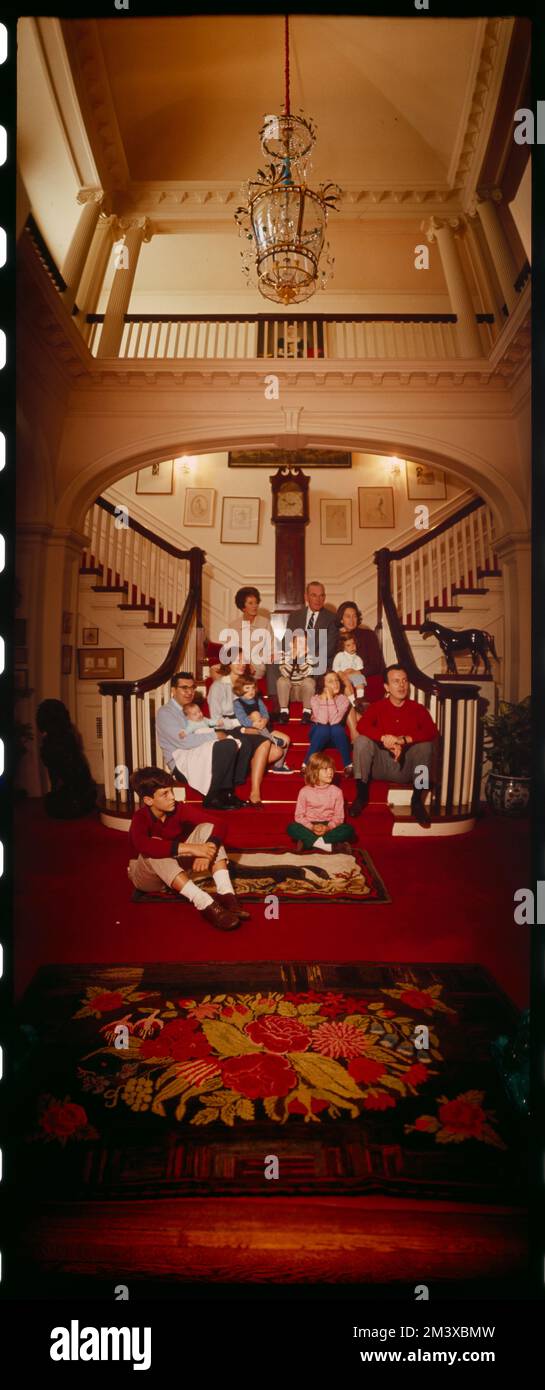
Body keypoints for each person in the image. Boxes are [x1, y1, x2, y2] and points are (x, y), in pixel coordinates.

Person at [127, 767, 249, 929]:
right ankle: (204, 903)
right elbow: (143, 845)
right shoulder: (140, 817)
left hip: (176, 868)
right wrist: (192, 849)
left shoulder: (178, 808)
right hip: (149, 878)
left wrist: (207, 852)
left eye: (171, 791)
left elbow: (220, 824)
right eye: (165, 794)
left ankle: (226, 894)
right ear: (149, 800)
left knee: (207, 828)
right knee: (155, 846)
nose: (172, 797)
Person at [349, 663, 438, 826]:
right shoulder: (377, 707)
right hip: (380, 766)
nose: (402, 685)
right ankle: (361, 796)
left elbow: (432, 732)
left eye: (404, 681)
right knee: (361, 741)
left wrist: (403, 740)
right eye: (396, 681)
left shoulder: (417, 709)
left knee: (426, 746)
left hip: (406, 767)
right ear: (387, 687)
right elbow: (361, 726)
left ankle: (417, 801)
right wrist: (384, 738)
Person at [155, 672, 251, 810]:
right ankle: (212, 797)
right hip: (181, 761)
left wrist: (241, 724)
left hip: (199, 751)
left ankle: (228, 792)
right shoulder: (165, 713)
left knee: (243, 742)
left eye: (192, 687)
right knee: (228, 745)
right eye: (184, 688)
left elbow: (211, 724)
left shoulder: (191, 708)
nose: (189, 692)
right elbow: (184, 742)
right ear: (173, 690)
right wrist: (215, 735)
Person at [207, 663, 287, 804]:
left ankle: (248, 768)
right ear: (228, 662)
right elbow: (215, 720)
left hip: (250, 723)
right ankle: (254, 790)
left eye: (244, 660)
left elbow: (260, 708)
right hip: (230, 726)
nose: (242, 663)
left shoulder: (247, 681)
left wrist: (261, 720)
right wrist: (243, 724)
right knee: (265, 742)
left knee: (278, 751)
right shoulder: (218, 686)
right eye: (237, 659)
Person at [283, 582, 338, 720]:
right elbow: (286, 640)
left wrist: (306, 658)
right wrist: (292, 655)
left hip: (318, 658)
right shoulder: (295, 616)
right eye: (314, 595)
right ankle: (279, 706)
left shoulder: (331, 618)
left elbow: (329, 648)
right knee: (272, 662)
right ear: (306, 596)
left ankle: (309, 709)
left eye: (321, 596)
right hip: (296, 656)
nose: (318, 599)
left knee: (317, 663)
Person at [36, 699, 96, 819]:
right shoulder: (67, 737)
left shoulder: (53, 744)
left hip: (76, 796)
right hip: (82, 795)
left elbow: (64, 775)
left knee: (52, 803)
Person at [287, 753, 356, 854]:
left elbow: (339, 817)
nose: (330, 772)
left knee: (348, 830)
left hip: (329, 825)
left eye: (331, 769)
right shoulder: (304, 791)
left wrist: (328, 827)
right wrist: (311, 827)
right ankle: (329, 845)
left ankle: (309, 842)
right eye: (325, 769)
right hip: (309, 825)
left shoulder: (337, 791)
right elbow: (299, 816)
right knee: (291, 828)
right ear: (314, 771)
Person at [232, 675, 293, 773]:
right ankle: (271, 738)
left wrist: (264, 720)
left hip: (263, 728)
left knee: (286, 739)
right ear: (240, 689)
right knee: (256, 714)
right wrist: (254, 723)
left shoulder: (258, 700)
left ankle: (278, 766)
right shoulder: (237, 703)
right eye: (247, 688)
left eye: (253, 688)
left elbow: (265, 713)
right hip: (249, 730)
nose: (251, 691)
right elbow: (242, 719)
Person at [217, 586, 275, 685]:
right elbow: (231, 651)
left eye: (256, 603)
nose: (255, 606)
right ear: (243, 606)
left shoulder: (265, 623)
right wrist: (245, 663)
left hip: (258, 665)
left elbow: (272, 649)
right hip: (239, 663)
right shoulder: (233, 625)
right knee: (214, 670)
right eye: (250, 603)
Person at [305, 671, 353, 775]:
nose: (335, 684)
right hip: (318, 734)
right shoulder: (315, 699)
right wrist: (323, 699)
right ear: (323, 685)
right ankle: (306, 764)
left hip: (335, 736)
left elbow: (334, 721)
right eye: (330, 681)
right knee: (323, 729)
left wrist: (330, 698)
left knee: (337, 728)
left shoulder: (343, 699)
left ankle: (348, 765)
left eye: (337, 680)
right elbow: (322, 721)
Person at [334, 601, 385, 690]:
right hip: (343, 677)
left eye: (354, 616)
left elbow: (375, 665)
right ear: (341, 619)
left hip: (364, 676)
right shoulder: (337, 637)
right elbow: (334, 664)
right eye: (348, 616)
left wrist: (357, 672)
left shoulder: (369, 635)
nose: (352, 620)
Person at [275, 633, 319, 725]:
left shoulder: (311, 657)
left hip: (303, 692)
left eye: (303, 643)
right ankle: (284, 711)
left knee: (310, 681)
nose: (300, 646)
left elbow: (308, 673)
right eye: (298, 643)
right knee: (282, 680)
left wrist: (301, 659)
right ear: (292, 644)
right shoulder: (285, 656)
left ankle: (307, 712)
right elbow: (285, 673)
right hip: (289, 692)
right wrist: (291, 659)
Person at [332, 635, 367, 705]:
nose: (352, 646)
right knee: (346, 683)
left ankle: (360, 697)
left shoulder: (358, 658)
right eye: (348, 645)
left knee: (359, 676)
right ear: (343, 647)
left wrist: (353, 671)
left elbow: (359, 670)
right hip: (342, 676)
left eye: (353, 644)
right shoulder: (340, 655)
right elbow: (335, 668)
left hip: (353, 676)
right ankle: (353, 702)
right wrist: (342, 673)